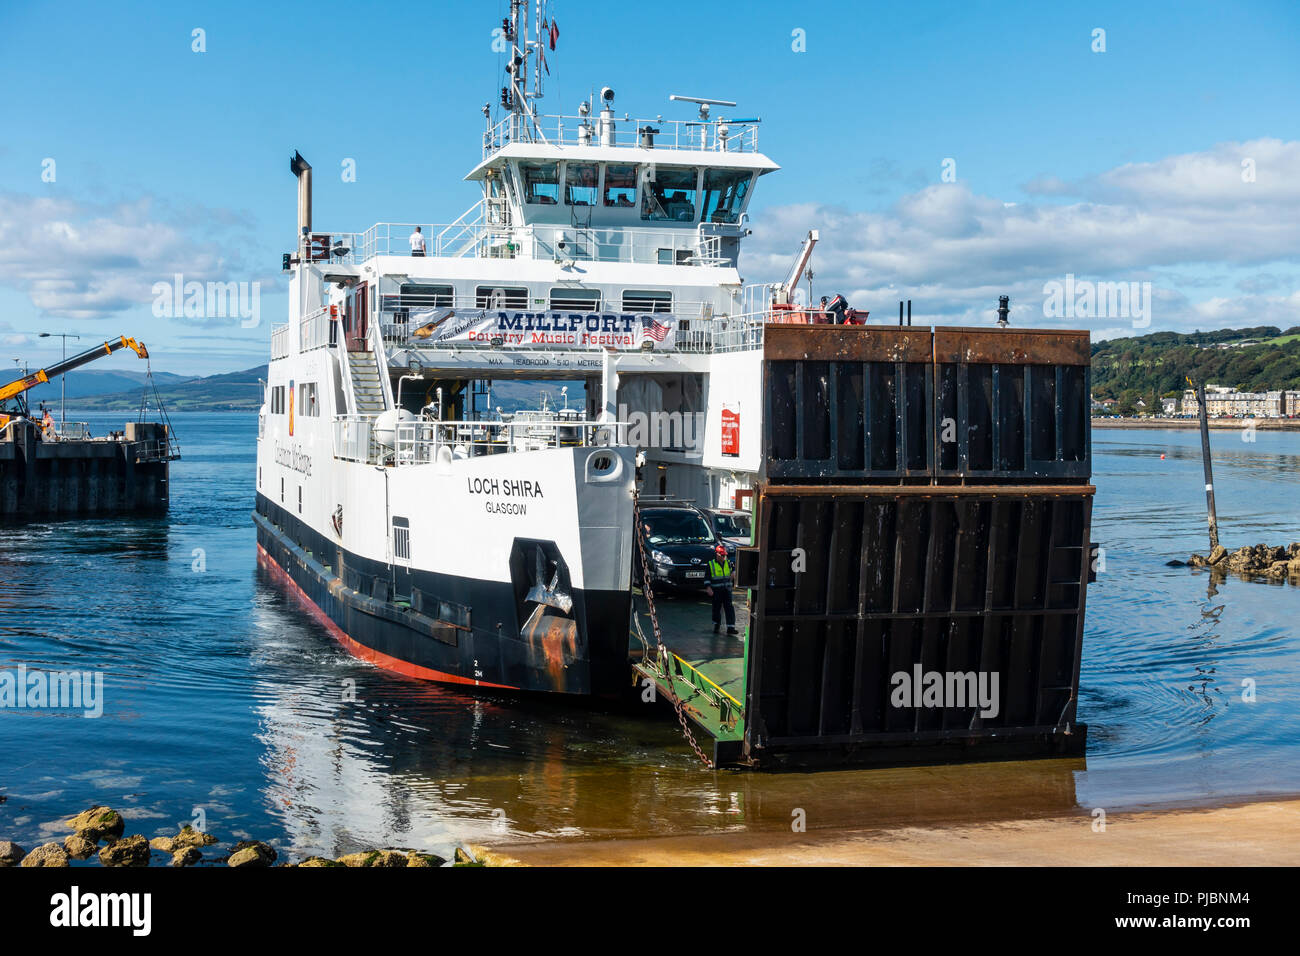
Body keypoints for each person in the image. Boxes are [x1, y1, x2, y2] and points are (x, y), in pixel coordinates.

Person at [706, 543, 737, 635]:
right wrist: (708, 588)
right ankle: (716, 625)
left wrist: (734, 574)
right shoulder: (711, 564)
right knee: (716, 608)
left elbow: (733, 571)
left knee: (729, 608)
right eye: (722, 555)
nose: (724, 557)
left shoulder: (728, 563)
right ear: (717, 554)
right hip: (716, 591)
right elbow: (707, 577)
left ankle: (730, 628)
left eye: (725, 555)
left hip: (727, 590)